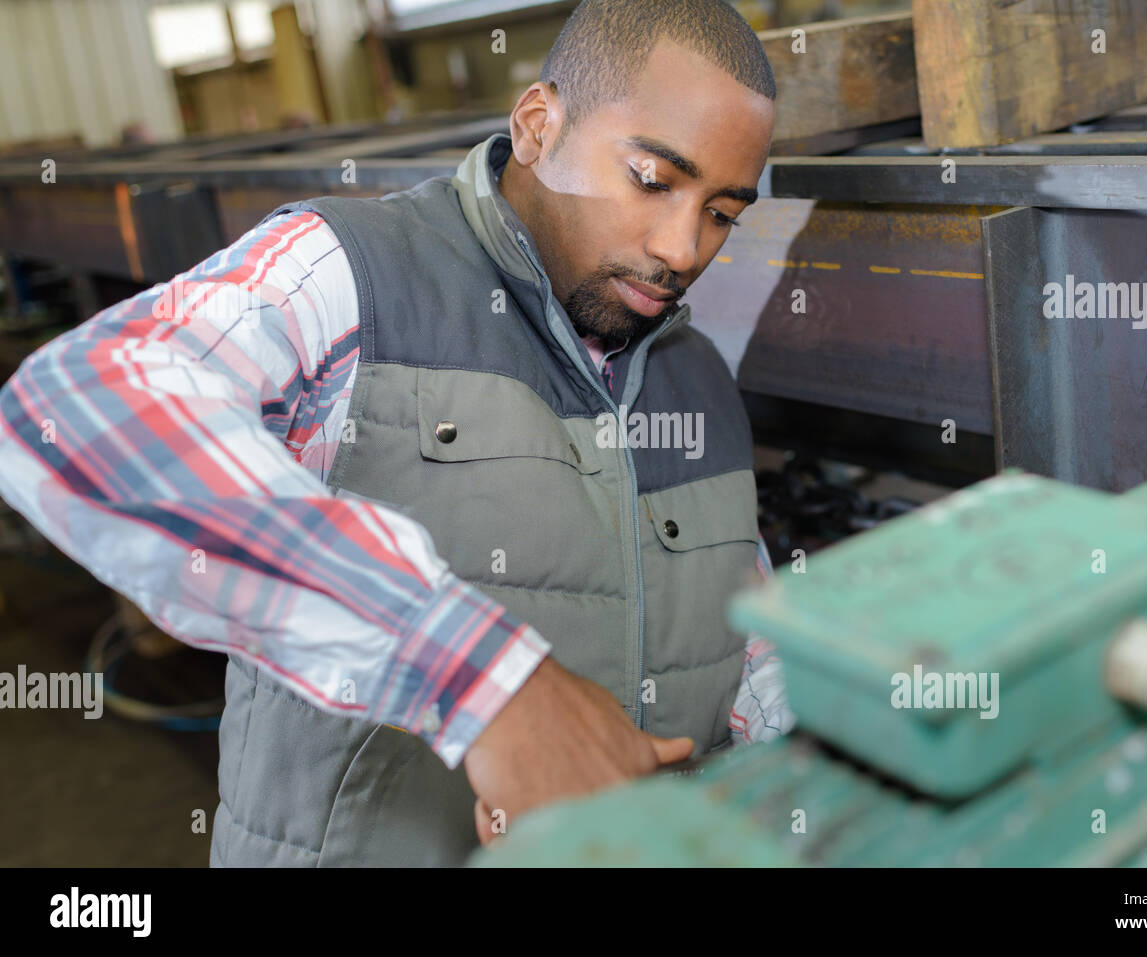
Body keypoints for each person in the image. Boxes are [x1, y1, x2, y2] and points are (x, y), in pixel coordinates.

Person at [0, 0, 793, 866]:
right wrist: (484, 682)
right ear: (538, 125)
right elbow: (81, 405)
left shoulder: (700, 382)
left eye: (722, 212)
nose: (682, 248)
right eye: (651, 179)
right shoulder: (351, 273)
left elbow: (745, 671)